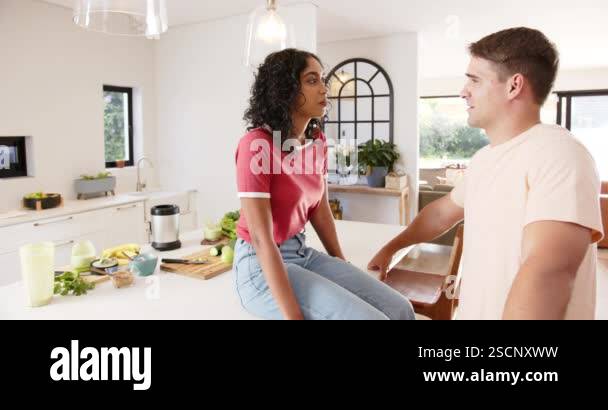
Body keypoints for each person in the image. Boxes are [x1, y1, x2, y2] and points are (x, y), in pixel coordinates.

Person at [369, 27, 604, 320]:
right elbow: (440, 214)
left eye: (475, 80)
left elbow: (549, 272)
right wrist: (392, 248)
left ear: (514, 86)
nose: (463, 91)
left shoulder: (560, 153)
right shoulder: (485, 158)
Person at [233, 48, 415, 320]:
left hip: (301, 252)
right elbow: (260, 238)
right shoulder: (257, 146)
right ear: (285, 89)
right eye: (311, 80)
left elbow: (320, 210)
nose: (324, 88)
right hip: (259, 266)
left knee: (401, 310)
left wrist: (340, 264)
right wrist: (293, 317)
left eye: (322, 79)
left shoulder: (316, 142)